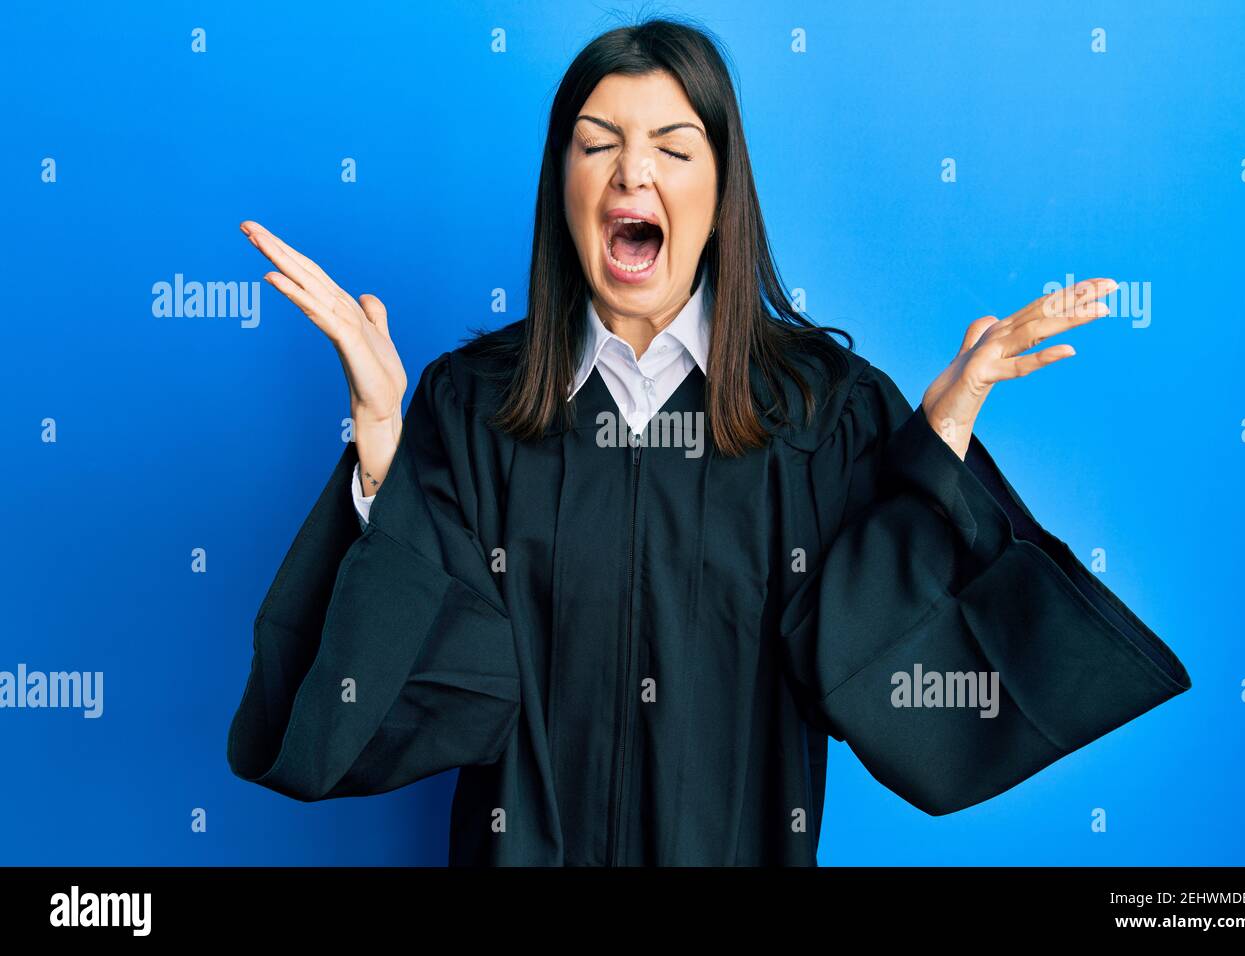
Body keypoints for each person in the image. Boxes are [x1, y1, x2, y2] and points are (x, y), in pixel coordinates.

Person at [226, 18, 1191, 866]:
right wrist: (387, 447)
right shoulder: (471, 407)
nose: (631, 172)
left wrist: (936, 441)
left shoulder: (823, 412)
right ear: (561, 184)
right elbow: (442, 685)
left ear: (723, 189)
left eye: (673, 148)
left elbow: (866, 665)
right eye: (596, 144)